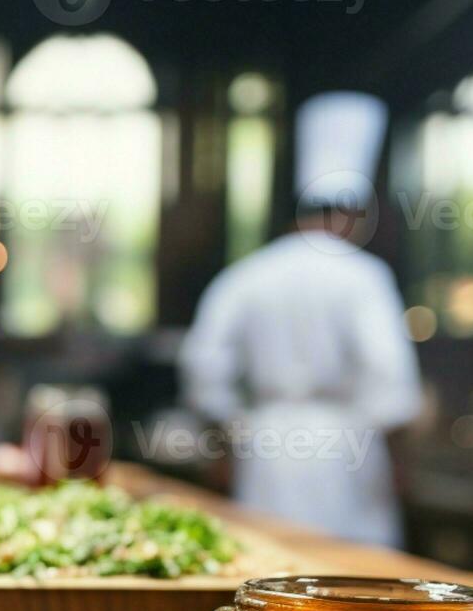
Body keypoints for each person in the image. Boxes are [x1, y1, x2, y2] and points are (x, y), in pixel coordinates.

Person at [178, 92, 422, 547]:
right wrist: (401, 463)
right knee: (356, 580)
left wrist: (223, 438)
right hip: (348, 450)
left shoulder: (249, 274)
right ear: (352, 213)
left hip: (267, 448)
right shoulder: (365, 276)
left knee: (270, 570)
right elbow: (391, 378)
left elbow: (202, 363)